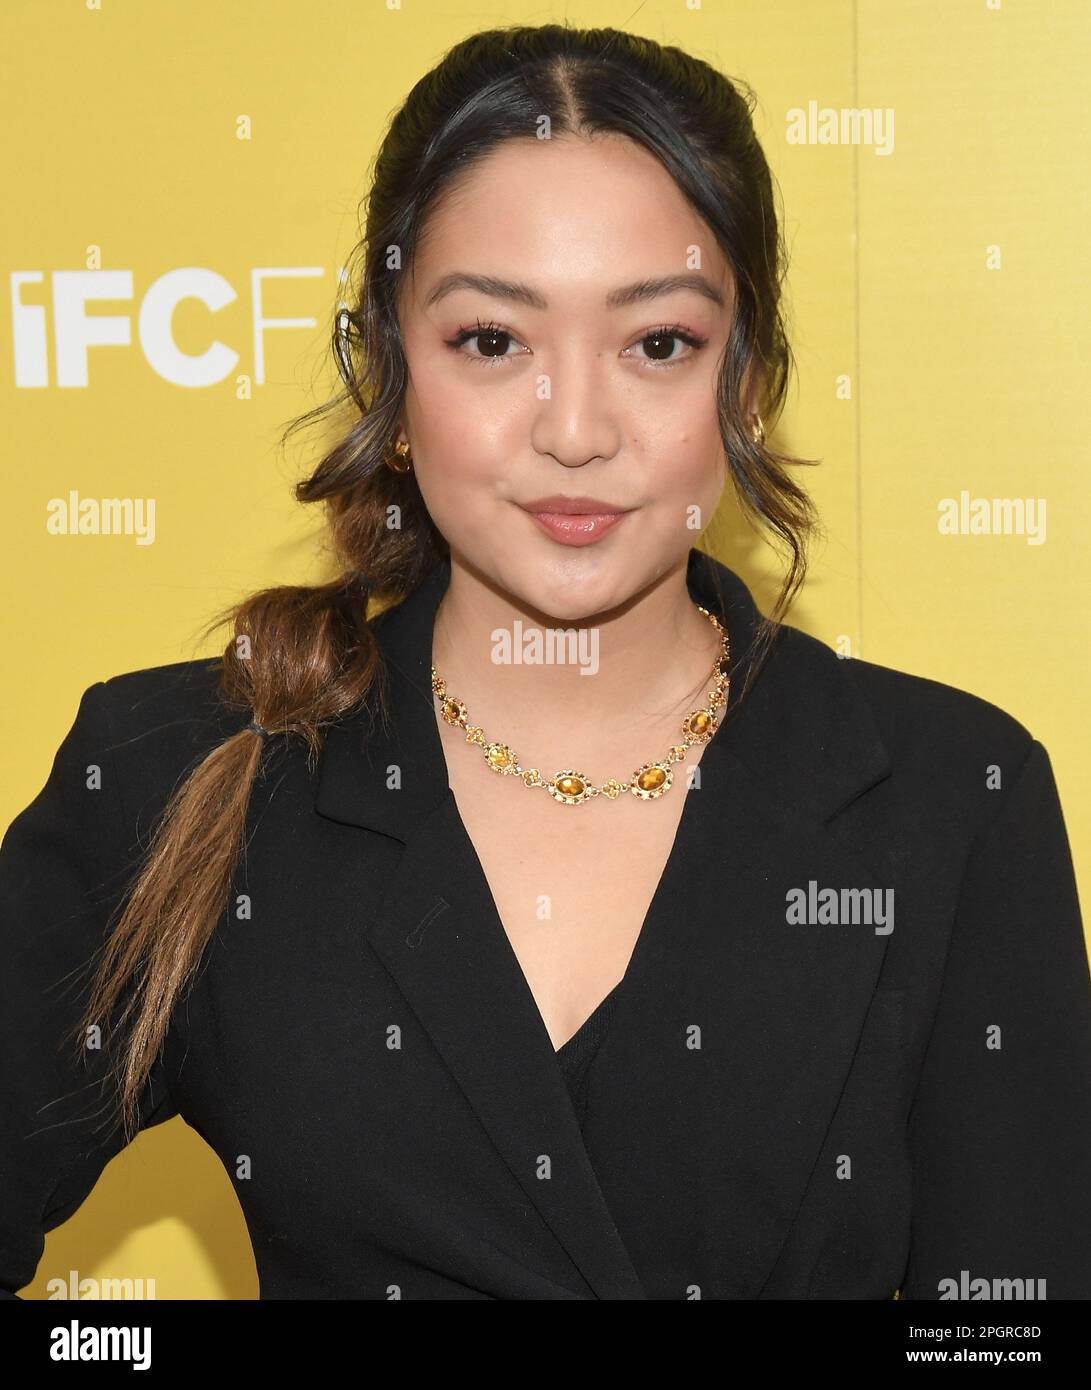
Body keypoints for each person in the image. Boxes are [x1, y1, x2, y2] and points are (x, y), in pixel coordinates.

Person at [2, 23, 1089, 1302]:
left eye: (658, 344)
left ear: (747, 385)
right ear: (390, 373)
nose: (574, 431)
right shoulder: (179, 774)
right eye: (490, 341)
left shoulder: (951, 797)